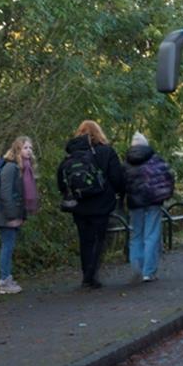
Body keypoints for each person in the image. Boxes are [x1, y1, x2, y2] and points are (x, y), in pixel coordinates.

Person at [57, 120, 125, 289]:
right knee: (98, 239)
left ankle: (86, 273)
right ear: (99, 133)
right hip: (101, 203)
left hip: (79, 205)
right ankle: (90, 275)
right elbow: (117, 177)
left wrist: (70, 194)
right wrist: (119, 192)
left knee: (84, 239)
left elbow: (61, 179)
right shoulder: (107, 151)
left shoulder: (71, 155)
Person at [124, 132, 175, 283]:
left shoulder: (126, 162)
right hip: (154, 202)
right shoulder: (156, 159)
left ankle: (137, 269)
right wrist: (167, 194)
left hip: (134, 203)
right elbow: (169, 177)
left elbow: (120, 182)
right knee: (152, 235)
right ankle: (149, 272)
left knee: (136, 236)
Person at [0, 136, 39, 294]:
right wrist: (13, 217)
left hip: (13, 213)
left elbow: (22, 194)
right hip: (6, 214)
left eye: (30, 148)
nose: (29, 151)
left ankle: (7, 278)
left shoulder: (24, 168)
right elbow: (5, 193)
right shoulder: (11, 167)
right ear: (17, 149)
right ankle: (4, 281)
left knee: (9, 246)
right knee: (7, 246)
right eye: (25, 148)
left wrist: (21, 215)